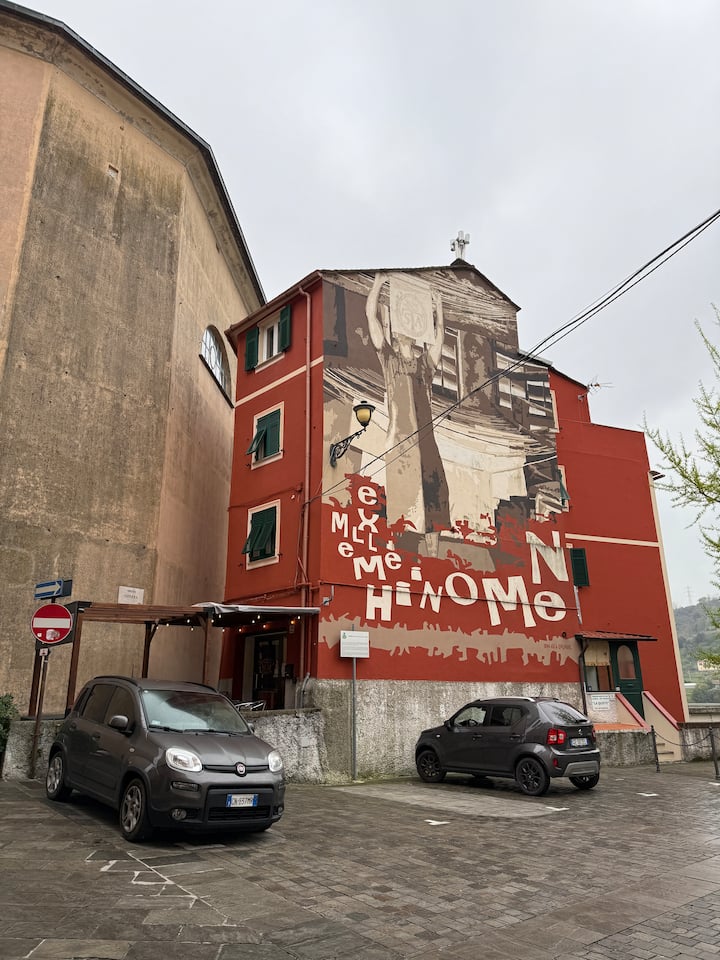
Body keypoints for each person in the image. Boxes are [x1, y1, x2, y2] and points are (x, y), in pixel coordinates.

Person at [365, 271, 451, 556]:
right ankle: (400, 555)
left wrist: (438, 307)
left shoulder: (425, 365)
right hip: (400, 439)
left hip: (425, 439)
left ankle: (433, 559)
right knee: (402, 498)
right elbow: (372, 320)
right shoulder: (389, 359)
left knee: (433, 493)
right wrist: (377, 284)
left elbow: (439, 338)